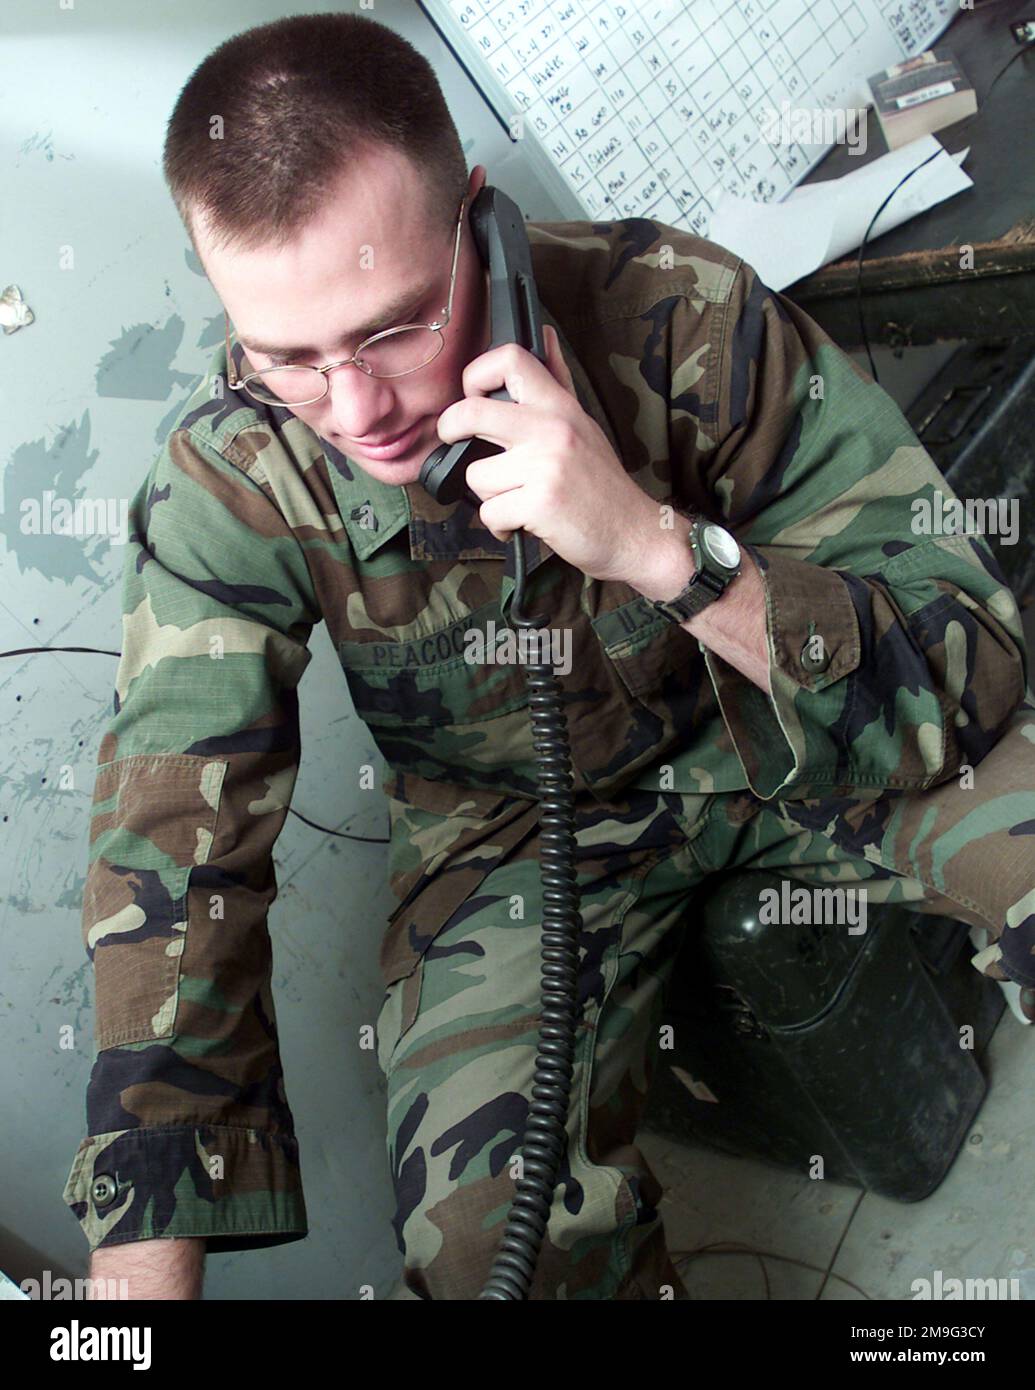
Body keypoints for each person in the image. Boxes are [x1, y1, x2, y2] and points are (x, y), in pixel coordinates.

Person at [65, 13, 1035, 1301]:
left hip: (778, 722)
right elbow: (174, 850)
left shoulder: (678, 311)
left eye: (394, 328)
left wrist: (656, 548)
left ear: (477, 221)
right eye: (287, 358)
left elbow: (970, 660)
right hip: (513, 832)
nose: (359, 413)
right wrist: (128, 1295)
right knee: (486, 1259)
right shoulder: (229, 480)